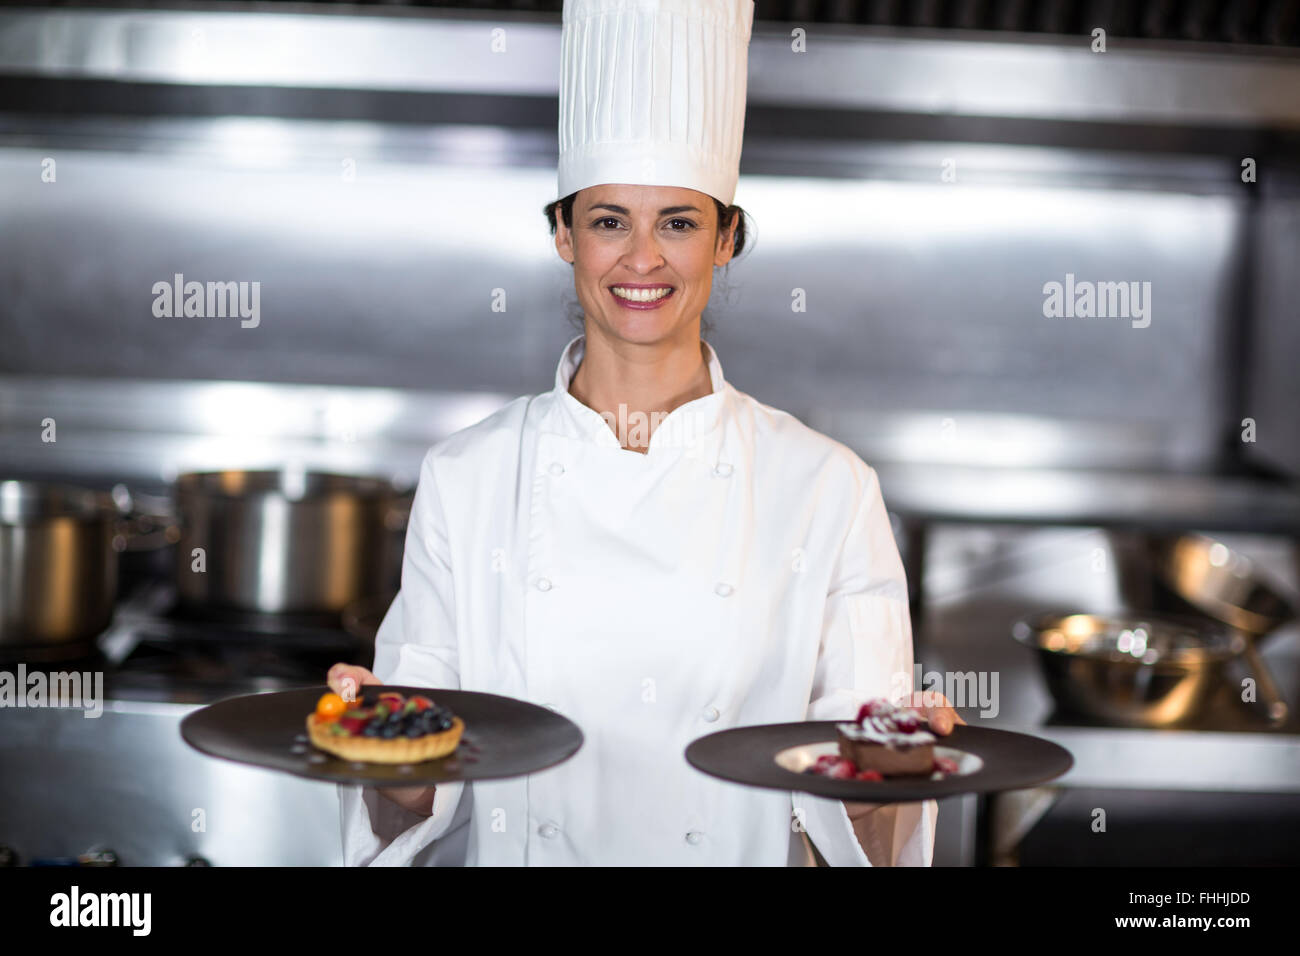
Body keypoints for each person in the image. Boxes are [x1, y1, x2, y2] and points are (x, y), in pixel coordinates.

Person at [329, 0, 961, 866]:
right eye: (608, 220)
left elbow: (859, 828)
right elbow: (417, 801)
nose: (642, 260)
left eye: (678, 222)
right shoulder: (466, 478)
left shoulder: (826, 487)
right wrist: (378, 741)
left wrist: (899, 766)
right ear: (562, 234)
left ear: (728, 238)